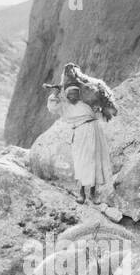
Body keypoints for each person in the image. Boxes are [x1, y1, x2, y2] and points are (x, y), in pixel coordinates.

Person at [46, 75, 112, 205]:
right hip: (80, 133)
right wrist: (55, 92)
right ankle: (81, 193)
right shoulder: (65, 107)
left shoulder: (86, 105)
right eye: (70, 93)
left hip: (94, 132)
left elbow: (101, 114)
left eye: (76, 93)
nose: (73, 95)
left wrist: (100, 108)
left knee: (95, 160)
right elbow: (52, 106)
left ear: (79, 94)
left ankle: (93, 194)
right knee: (82, 162)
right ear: (67, 95)